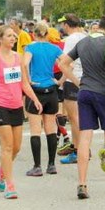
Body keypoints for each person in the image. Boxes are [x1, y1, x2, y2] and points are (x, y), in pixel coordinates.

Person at [58, 14, 105, 199]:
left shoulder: (83, 42)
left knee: (85, 137)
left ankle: (82, 184)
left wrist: (78, 82)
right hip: (104, 92)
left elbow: (63, 63)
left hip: (84, 92)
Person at [0, 27, 42, 199]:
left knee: (16, 147)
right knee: (7, 147)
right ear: (0, 39)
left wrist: (35, 99)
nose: (13, 38)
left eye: (14, 36)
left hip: (16, 106)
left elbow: (24, 83)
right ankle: (10, 185)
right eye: (9, 36)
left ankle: (0, 170)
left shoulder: (18, 57)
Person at [22, 22, 63, 176]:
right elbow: (67, 64)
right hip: (51, 90)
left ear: (33, 34)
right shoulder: (54, 48)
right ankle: (51, 164)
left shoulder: (30, 48)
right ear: (47, 34)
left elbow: (24, 64)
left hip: (36, 90)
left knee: (35, 130)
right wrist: (60, 81)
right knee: (50, 128)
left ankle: (37, 166)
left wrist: (28, 79)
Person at [57, 14, 87, 165]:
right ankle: (83, 148)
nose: (62, 28)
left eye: (63, 25)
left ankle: (78, 150)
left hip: (73, 79)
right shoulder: (85, 36)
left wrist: (60, 81)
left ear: (67, 25)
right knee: (82, 117)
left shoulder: (70, 39)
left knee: (74, 119)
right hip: (86, 78)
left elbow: (67, 62)